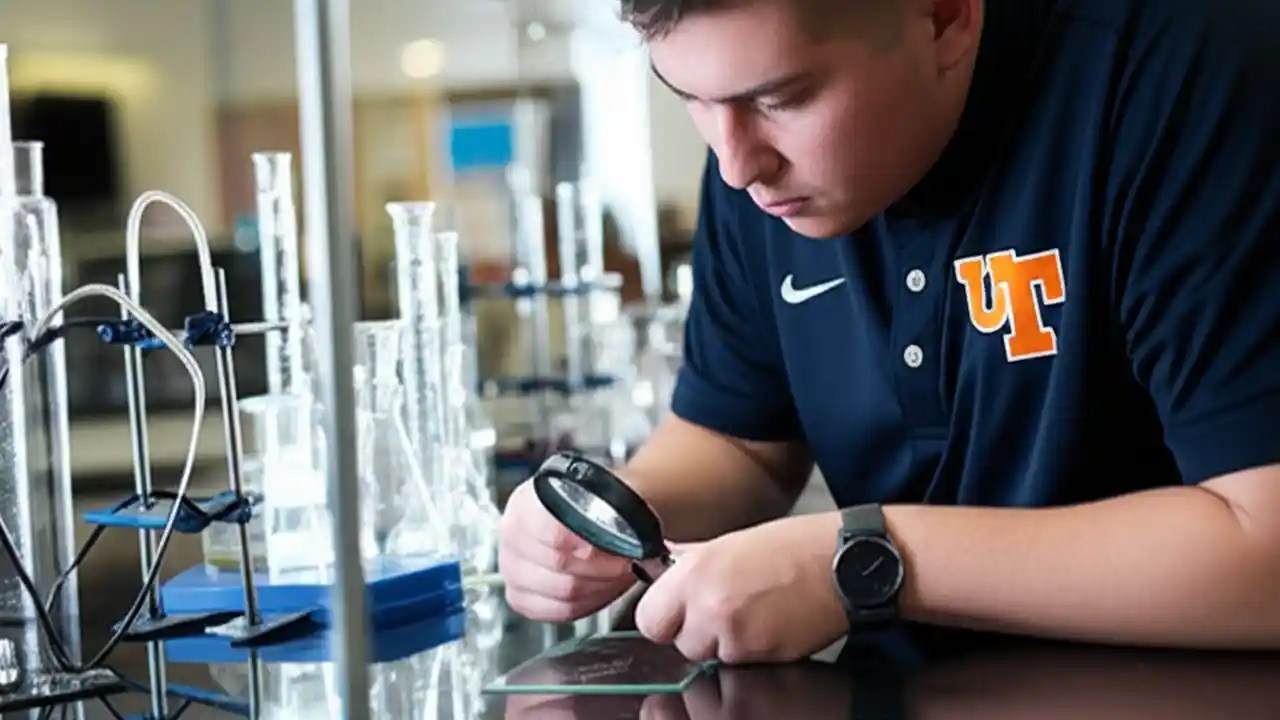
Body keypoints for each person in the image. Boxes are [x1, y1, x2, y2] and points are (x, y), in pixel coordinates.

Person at [498, 0, 1280, 664]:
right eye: (691, 99)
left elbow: (1267, 549)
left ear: (944, 17)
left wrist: (864, 561)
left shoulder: (1191, 75)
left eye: (783, 99)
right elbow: (737, 441)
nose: (736, 166)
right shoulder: (755, 155)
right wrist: (615, 518)